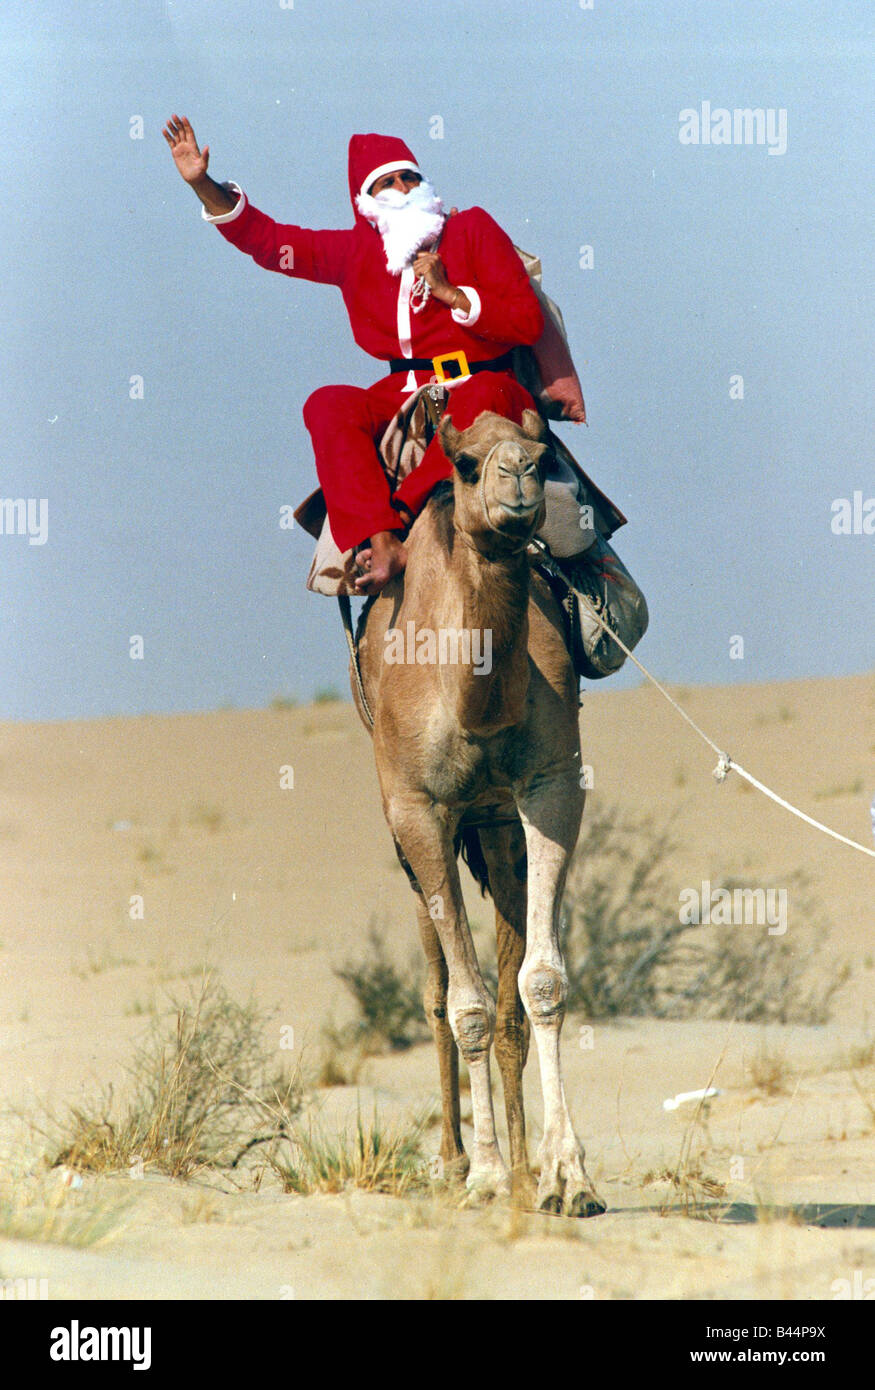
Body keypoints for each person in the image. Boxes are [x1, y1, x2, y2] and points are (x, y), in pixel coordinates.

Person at [163, 116, 545, 593]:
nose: (404, 188)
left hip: (486, 385)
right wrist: (203, 185)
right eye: (387, 182)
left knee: (485, 392)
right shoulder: (351, 253)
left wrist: (451, 294)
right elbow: (267, 240)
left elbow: (528, 322)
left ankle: (405, 512)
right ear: (365, 202)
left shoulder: (473, 229)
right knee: (328, 403)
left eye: (411, 177)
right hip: (406, 392)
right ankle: (380, 538)